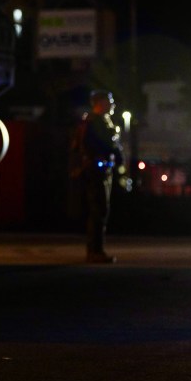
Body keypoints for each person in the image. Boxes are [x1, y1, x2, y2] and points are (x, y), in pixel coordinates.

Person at [72, 89, 122, 263]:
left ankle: (96, 250)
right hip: (96, 170)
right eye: (109, 101)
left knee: (100, 210)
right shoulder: (94, 122)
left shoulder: (99, 121)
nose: (112, 104)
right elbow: (99, 145)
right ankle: (95, 252)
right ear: (99, 103)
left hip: (99, 169)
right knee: (98, 210)